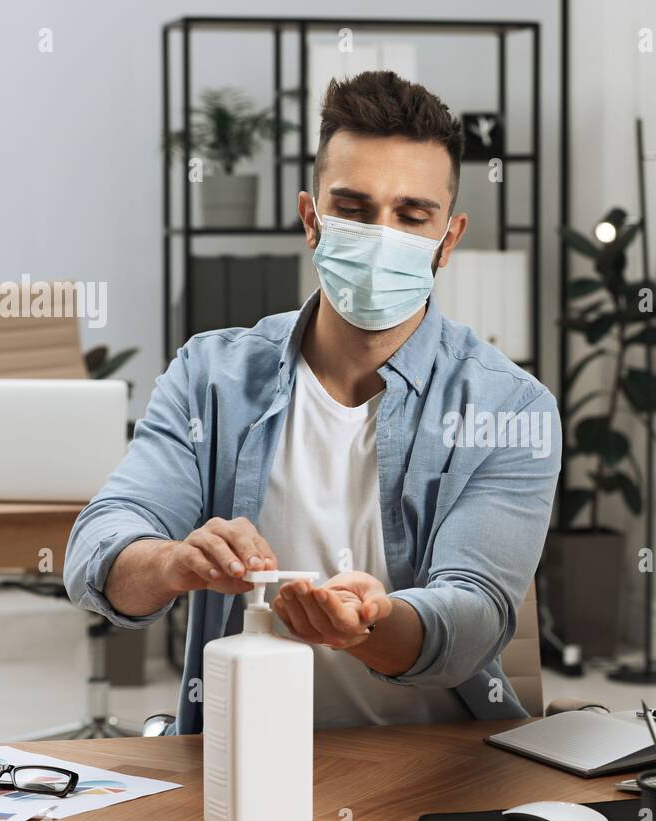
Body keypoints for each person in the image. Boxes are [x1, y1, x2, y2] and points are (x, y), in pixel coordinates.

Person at [64, 71, 560, 732]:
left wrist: (374, 625)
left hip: (437, 778)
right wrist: (173, 562)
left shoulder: (511, 407)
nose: (382, 237)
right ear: (311, 220)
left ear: (448, 240)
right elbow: (98, 548)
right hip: (237, 757)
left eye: (411, 216)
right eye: (353, 209)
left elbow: (475, 616)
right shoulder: (210, 377)